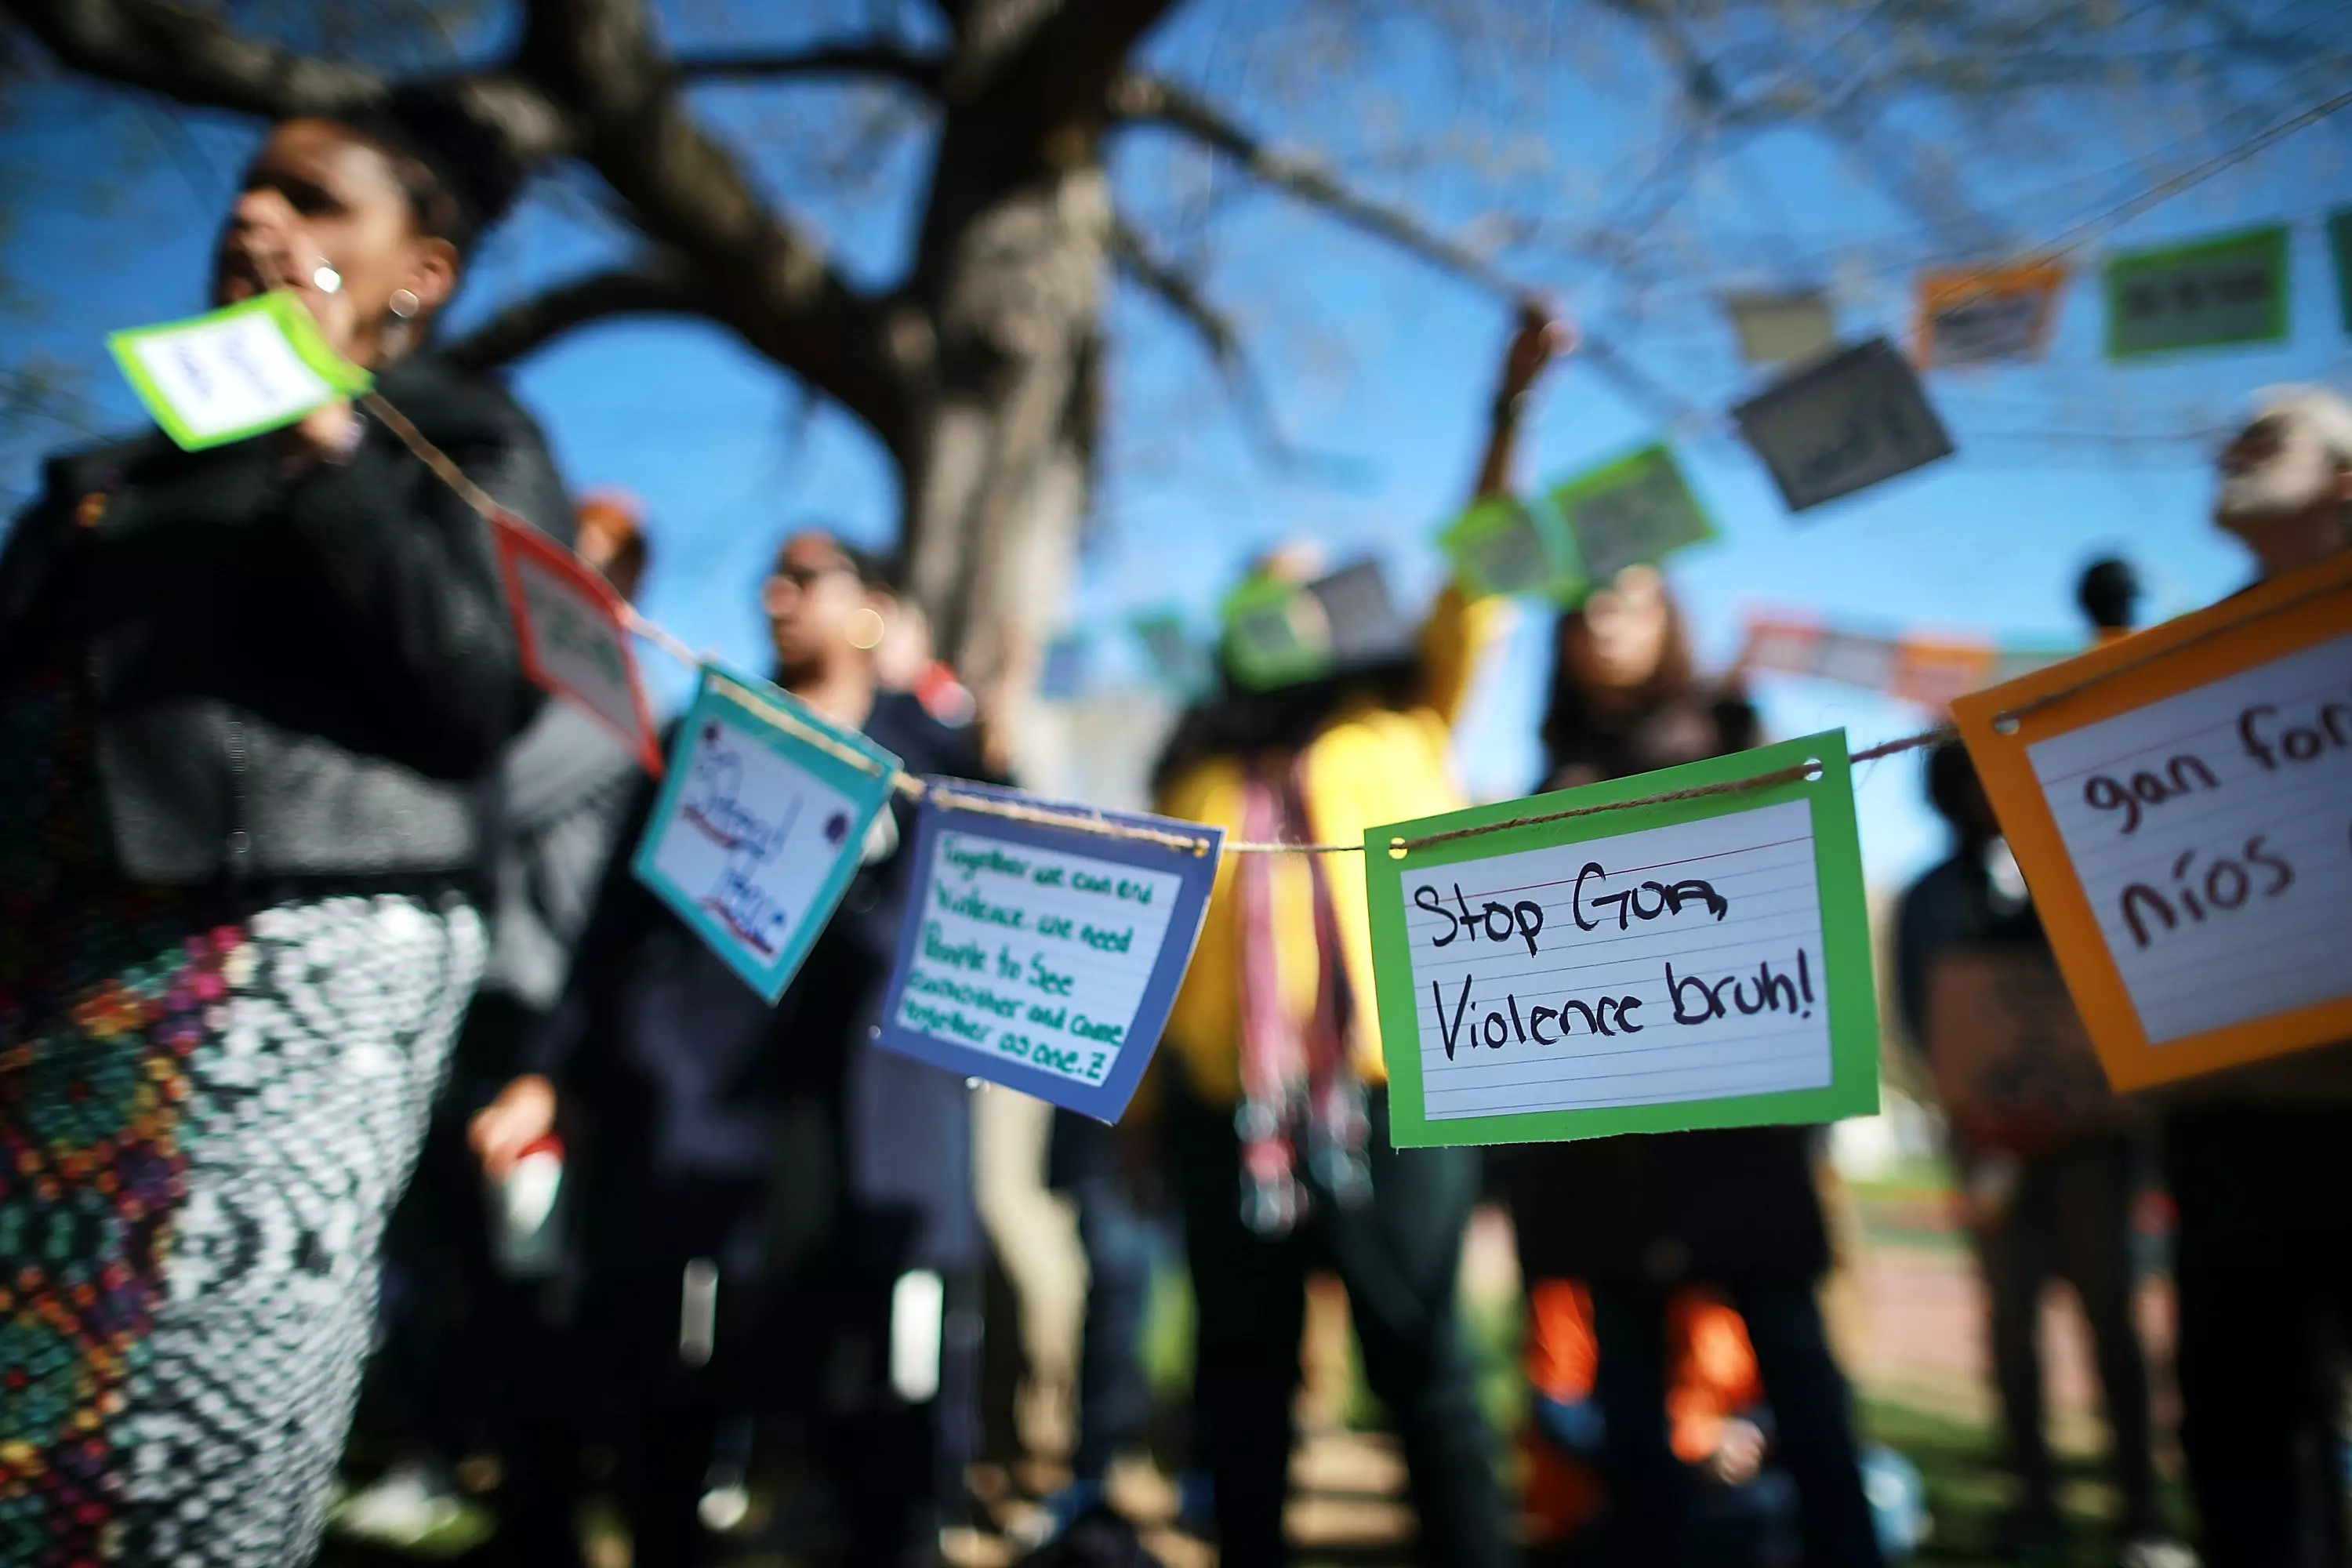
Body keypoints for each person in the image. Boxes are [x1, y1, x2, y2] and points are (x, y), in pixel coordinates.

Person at [0, 86, 558, 1563]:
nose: (255, 216)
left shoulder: (457, 437)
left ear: (419, 275)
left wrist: (327, 434)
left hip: (291, 973)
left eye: (314, 202)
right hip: (54, 976)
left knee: (196, 1396)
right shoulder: (112, 476)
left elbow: (474, 689)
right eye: (248, 189)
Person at [471, 530, 992, 1567]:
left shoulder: (934, 763)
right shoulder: (709, 740)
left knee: (880, 1414)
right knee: (678, 1394)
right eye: (772, 577)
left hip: (870, 1136)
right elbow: (616, 929)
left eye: (806, 577)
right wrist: (547, 1072)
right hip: (700, 1124)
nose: (775, 594)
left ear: (870, 611)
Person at [1142, 303, 1566, 1568]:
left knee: (1426, 1367)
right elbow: (1163, 952)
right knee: (1240, 1385)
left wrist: (1509, 411)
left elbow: (1482, 569)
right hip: (1224, 1116)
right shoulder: (1192, 769)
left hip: (1400, 1102)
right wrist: (1137, 1109)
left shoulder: (1411, 720)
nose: (1297, 609)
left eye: (1320, 589)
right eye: (1272, 592)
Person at [1504, 565, 1885, 1568]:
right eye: (1581, 606)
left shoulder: (1737, 735)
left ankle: (1847, 1547)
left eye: (1624, 597)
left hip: (1742, 1129)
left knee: (1793, 1358)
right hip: (1608, 1151)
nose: (1601, 620)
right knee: (1626, 1374)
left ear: (1669, 616)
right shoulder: (1551, 774)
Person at [346, 492, 653, 1543]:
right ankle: (462, 1459)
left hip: (537, 1023)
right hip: (470, 1009)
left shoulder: (606, 702)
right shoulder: (514, 694)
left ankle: (531, 1496)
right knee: (446, 1254)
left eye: (595, 556)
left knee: (528, 1262)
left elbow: (472, 803)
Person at [1894, 742, 2167, 1565]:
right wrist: (1981, 1103)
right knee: (2010, 1322)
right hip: (1990, 1150)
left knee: (2110, 1314)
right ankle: (2033, 1501)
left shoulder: (2080, 873)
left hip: (2092, 1145)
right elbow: (1924, 1014)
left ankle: (2141, 1508)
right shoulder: (1930, 896)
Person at [2163, 384, 2352, 1568]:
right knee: (2241, 1446)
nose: (2230, 448)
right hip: (2226, 1121)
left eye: (2267, 437)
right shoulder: (2183, 670)